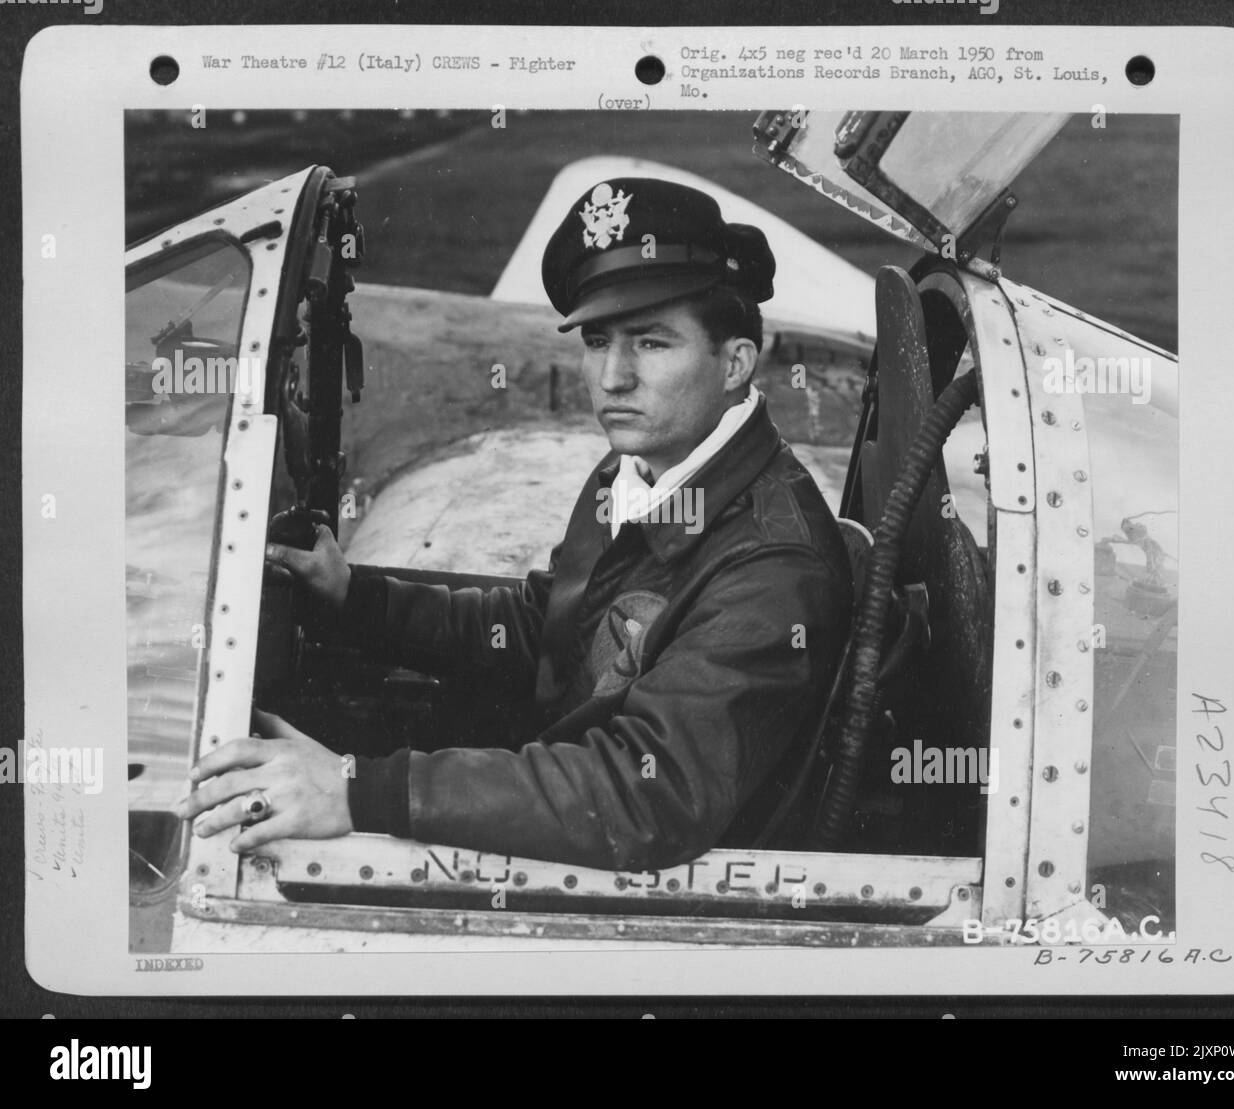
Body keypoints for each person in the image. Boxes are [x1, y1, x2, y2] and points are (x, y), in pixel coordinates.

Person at [176, 177, 853, 871]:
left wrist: (359, 789)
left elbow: (645, 793)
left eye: (651, 343)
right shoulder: (643, 471)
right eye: (597, 340)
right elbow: (546, 631)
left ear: (735, 361)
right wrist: (358, 597)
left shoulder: (772, 566)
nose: (612, 377)